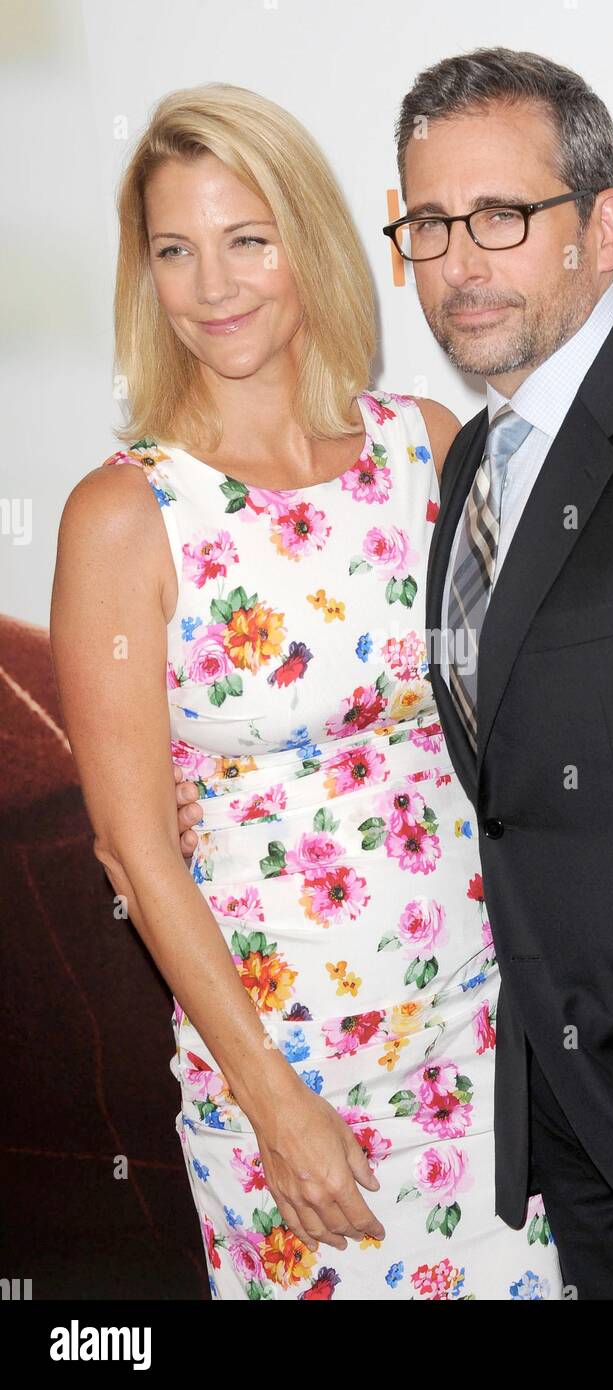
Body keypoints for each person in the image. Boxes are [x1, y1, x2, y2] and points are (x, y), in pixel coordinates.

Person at [178, 47, 613, 1300]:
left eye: (500, 215)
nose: (459, 260)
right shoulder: (475, 456)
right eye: (428, 222)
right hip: (552, 1132)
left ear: (603, 228)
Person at [50, 81, 563, 1301]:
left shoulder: (426, 445)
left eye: (246, 240)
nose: (212, 286)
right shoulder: (125, 513)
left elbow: (519, 728)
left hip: (483, 1050)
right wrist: (273, 1104)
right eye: (174, 250)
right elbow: (132, 850)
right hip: (289, 1081)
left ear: (310, 245)